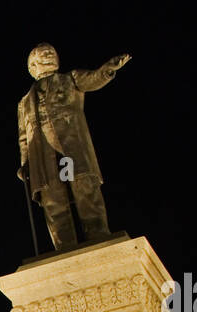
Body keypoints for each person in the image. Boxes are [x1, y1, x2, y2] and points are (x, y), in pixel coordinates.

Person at [18, 43, 129, 251]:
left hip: (70, 149)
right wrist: (25, 164)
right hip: (44, 157)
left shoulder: (70, 79)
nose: (50, 55)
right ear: (32, 65)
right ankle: (64, 246)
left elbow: (93, 79)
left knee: (84, 188)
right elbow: (24, 137)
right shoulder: (24, 102)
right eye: (44, 54)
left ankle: (98, 235)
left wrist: (107, 70)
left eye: (52, 52)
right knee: (53, 200)